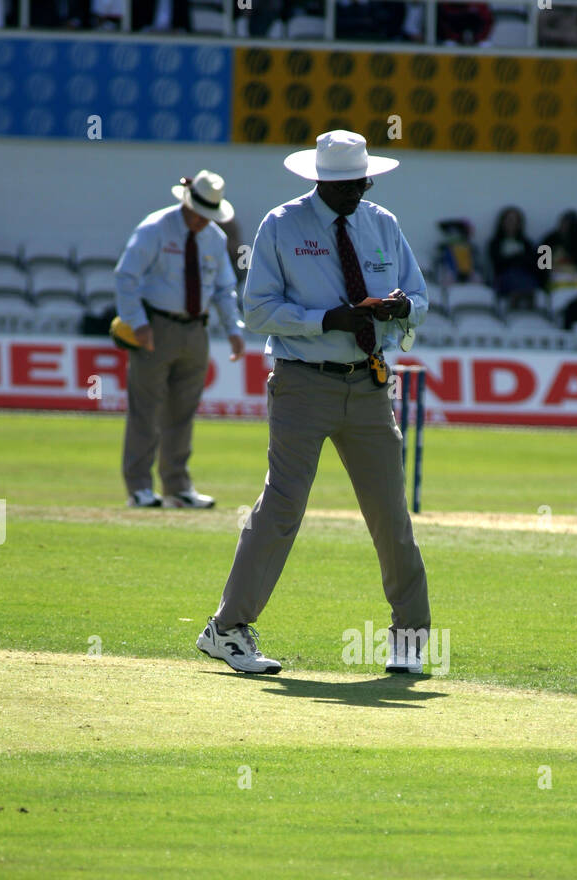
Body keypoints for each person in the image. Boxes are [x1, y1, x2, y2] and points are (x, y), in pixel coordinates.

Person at [196, 129, 430, 677]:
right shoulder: (281, 224)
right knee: (282, 506)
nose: (357, 191)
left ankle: (410, 638)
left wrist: (401, 308)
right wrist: (326, 319)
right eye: (346, 184)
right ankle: (227, 629)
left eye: (362, 182)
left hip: (370, 383)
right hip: (302, 381)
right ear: (320, 180)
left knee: (391, 513)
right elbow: (257, 311)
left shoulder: (383, 223)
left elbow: (420, 296)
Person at [114, 170, 246, 509]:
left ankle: (177, 486)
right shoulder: (155, 228)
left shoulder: (214, 238)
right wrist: (137, 323)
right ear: (187, 203)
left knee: (183, 412)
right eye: (199, 213)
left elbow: (224, 288)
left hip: (196, 330)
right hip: (155, 327)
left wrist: (233, 329)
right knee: (146, 410)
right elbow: (126, 276)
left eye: (209, 215)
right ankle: (139, 487)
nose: (203, 221)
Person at [487, 207, 537, 309]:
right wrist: (518, 257)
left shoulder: (526, 243)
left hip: (524, 275)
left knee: (527, 280)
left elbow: (532, 262)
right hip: (504, 276)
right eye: (509, 220)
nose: (512, 224)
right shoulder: (495, 243)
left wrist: (513, 259)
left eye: (515, 221)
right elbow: (498, 263)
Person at [536, 210, 577, 293]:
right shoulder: (549, 240)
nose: (565, 227)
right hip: (554, 275)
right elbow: (541, 264)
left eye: (568, 225)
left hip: (576, 277)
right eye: (563, 224)